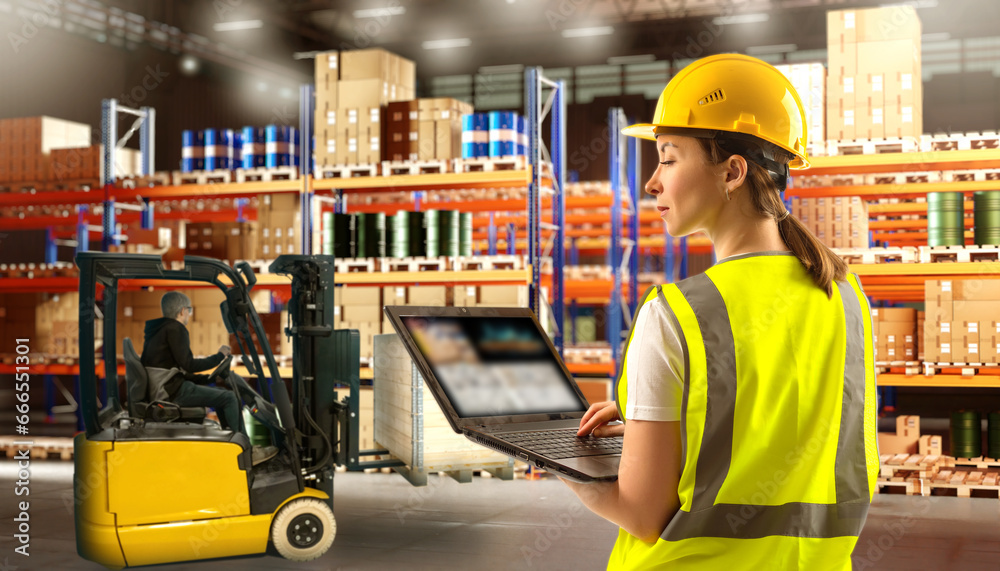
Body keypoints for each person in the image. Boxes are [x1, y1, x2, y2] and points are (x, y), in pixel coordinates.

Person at [562, 53, 879, 569]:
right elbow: (780, 428)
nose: (652, 182)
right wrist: (669, 421)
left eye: (668, 157)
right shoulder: (846, 298)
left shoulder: (674, 314)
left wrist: (561, 462)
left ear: (732, 171)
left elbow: (642, 515)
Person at [140, 291, 240, 430]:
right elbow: (189, 365)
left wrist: (208, 379)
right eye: (189, 310)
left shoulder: (159, 330)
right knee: (229, 397)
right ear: (182, 311)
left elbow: (180, 370)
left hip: (167, 388)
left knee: (220, 393)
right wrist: (219, 356)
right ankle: (244, 445)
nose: (189, 314)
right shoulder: (176, 328)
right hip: (171, 392)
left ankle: (229, 437)